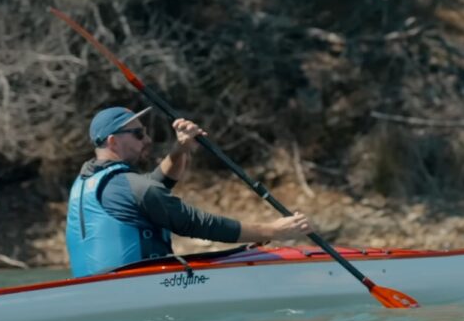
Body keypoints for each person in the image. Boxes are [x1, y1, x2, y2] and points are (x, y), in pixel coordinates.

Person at [65, 106, 314, 277]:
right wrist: (273, 231)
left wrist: (181, 149)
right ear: (113, 142)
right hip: (136, 288)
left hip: (101, 290)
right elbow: (197, 224)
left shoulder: (88, 183)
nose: (148, 139)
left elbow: (155, 185)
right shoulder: (130, 187)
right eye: (139, 134)